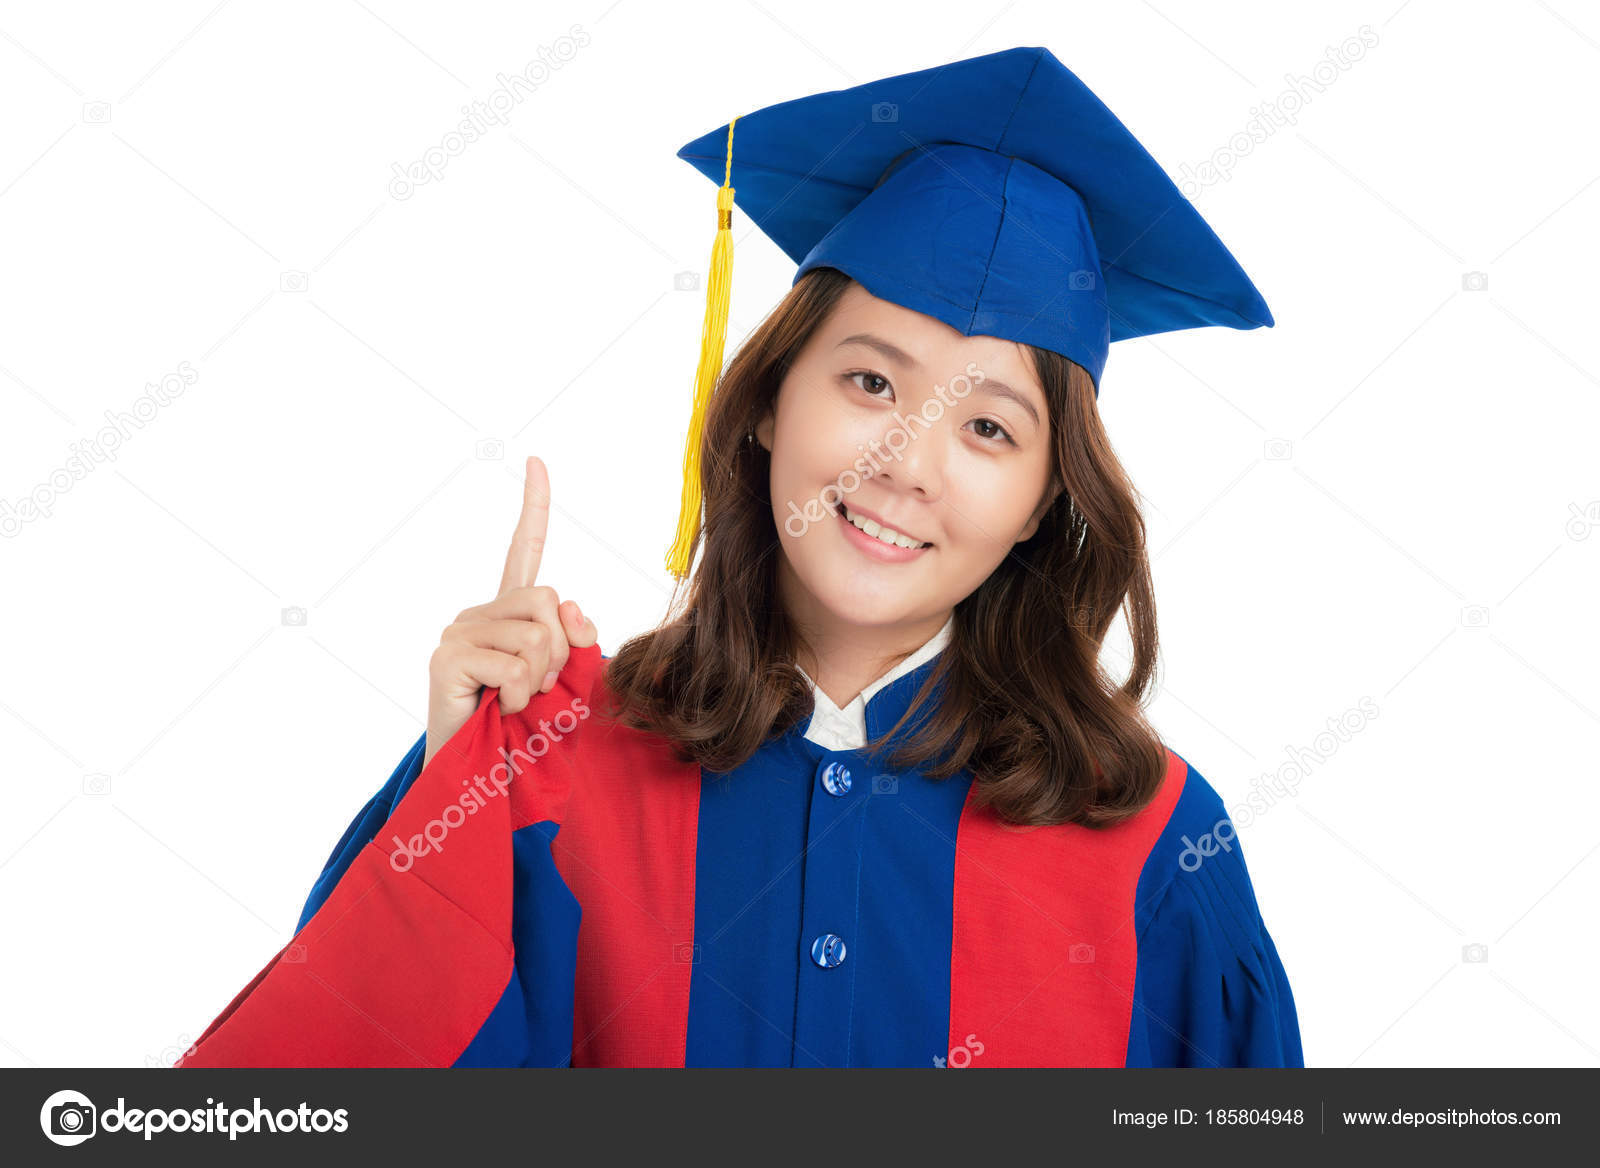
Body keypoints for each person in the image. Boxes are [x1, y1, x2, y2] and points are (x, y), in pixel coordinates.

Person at [178, 45, 1302, 1069]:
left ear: (1043, 504)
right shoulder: (563, 768)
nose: (910, 463)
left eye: (988, 428)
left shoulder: (1150, 840)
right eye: (870, 382)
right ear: (766, 401)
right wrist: (458, 786)